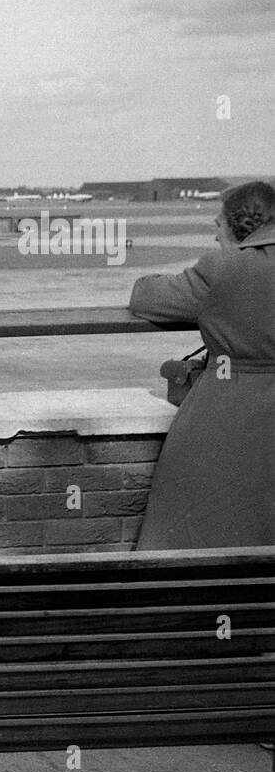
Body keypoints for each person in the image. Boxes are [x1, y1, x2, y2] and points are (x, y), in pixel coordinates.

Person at [129, 180, 275, 549]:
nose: (215, 237)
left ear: (239, 224)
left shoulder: (224, 269)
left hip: (232, 414)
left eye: (217, 225)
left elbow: (147, 298)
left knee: (202, 526)